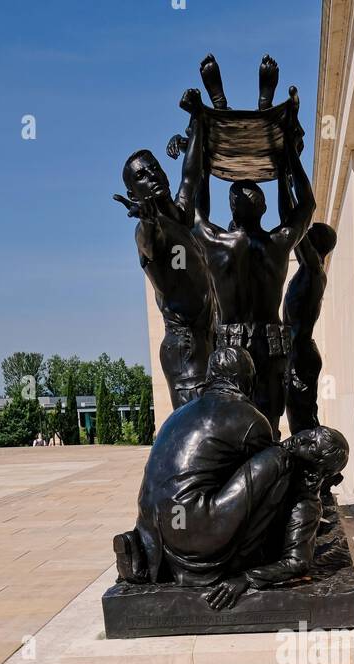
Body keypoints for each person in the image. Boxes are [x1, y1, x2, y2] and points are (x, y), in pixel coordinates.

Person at [113, 348, 291, 587]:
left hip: (153, 529)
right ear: (246, 378)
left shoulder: (179, 414)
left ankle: (151, 553)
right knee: (280, 460)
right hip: (192, 532)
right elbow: (263, 487)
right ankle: (249, 559)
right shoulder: (250, 419)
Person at [190, 128, 316, 439]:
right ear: (263, 208)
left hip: (231, 346)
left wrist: (202, 157)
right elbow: (306, 206)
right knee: (269, 422)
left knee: (231, 420)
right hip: (269, 344)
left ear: (232, 210)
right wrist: (290, 160)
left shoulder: (216, 243)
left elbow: (194, 210)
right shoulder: (278, 243)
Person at [114, 89, 214, 410]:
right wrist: (145, 222)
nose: (153, 175)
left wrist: (196, 117)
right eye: (142, 176)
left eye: (154, 167)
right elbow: (148, 243)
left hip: (207, 341)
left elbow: (192, 173)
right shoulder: (152, 229)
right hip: (186, 354)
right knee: (197, 445)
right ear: (133, 191)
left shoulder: (181, 215)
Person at [206, 425, 349, 610]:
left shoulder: (305, 504)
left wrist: (247, 578)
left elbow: (297, 562)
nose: (303, 438)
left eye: (312, 446)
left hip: (235, 554)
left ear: (315, 470)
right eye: (311, 432)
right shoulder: (277, 454)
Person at [283, 221, 337, 434]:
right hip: (298, 351)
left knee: (302, 419)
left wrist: (288, 190)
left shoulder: (313, 269)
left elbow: (297, 231)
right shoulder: (309, 270)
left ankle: (316, 461)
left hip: (300, 353)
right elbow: (297, 235)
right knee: (300, 416)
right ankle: (313, 461)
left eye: (309, 233)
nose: (303, 235)